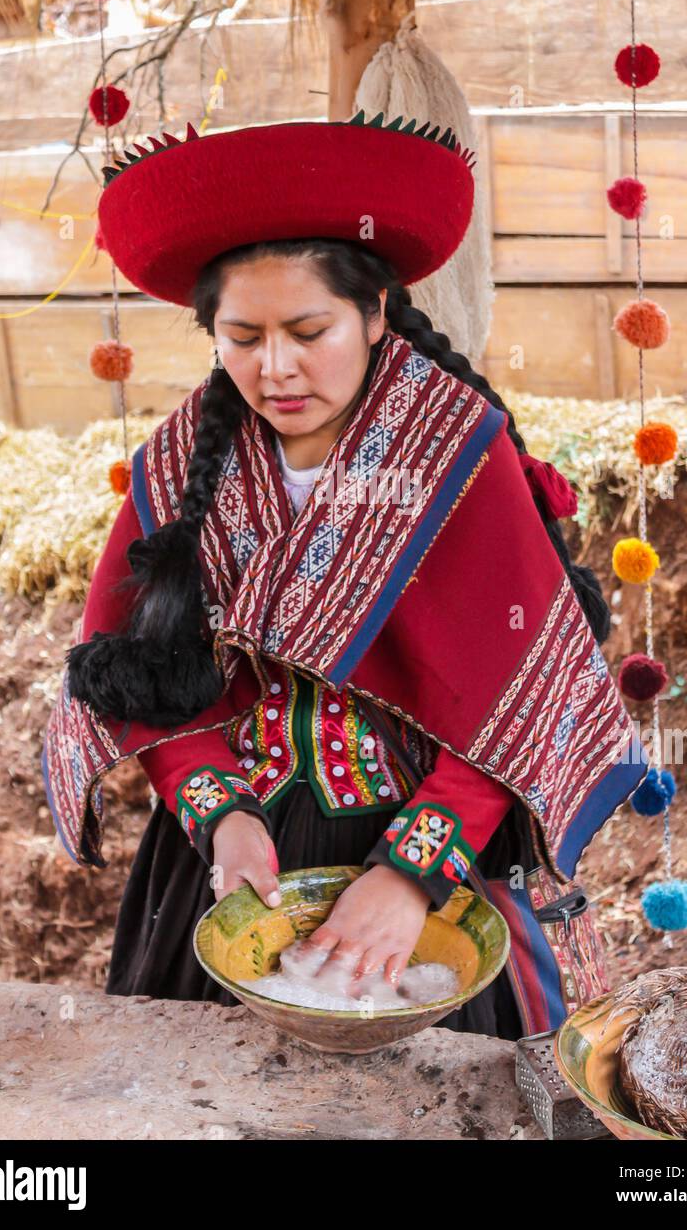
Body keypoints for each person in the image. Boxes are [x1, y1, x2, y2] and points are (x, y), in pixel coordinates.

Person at [41, 113, 648, 1040]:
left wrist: (411, 874)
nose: (274, 368)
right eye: (241, 337)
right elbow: (145, 679)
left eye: (308, 329)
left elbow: (533, 696)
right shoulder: (177, 470)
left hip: (430, 850)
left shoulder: (454, 458)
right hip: (233, 862)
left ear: (374, 313)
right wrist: (219, 816)